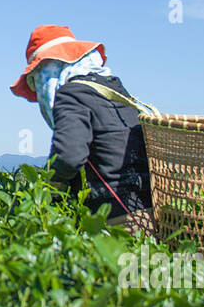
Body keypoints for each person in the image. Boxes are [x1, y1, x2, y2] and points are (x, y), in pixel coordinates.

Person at [11, 25, 154, 234]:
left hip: (115, 218)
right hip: (148, 209)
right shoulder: (115, 89)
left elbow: (69, 156)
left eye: (37, 78)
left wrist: (43, 191)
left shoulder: (72, 94)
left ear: (50, 69)